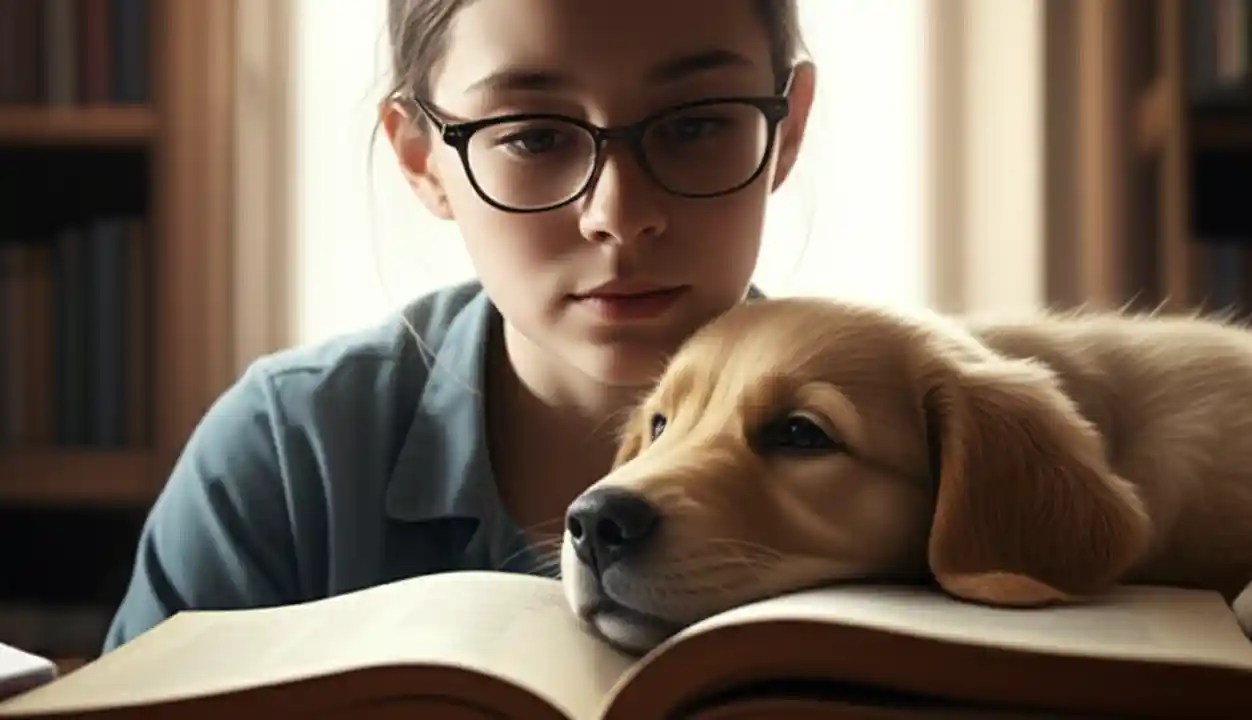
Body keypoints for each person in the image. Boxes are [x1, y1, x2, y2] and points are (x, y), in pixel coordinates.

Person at [101, 0, 816, 652]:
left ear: (789, 127)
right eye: (535, 138)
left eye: (695, 124)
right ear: (421, 158)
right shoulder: (291, 456)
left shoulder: (907, 446)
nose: (619, 216)